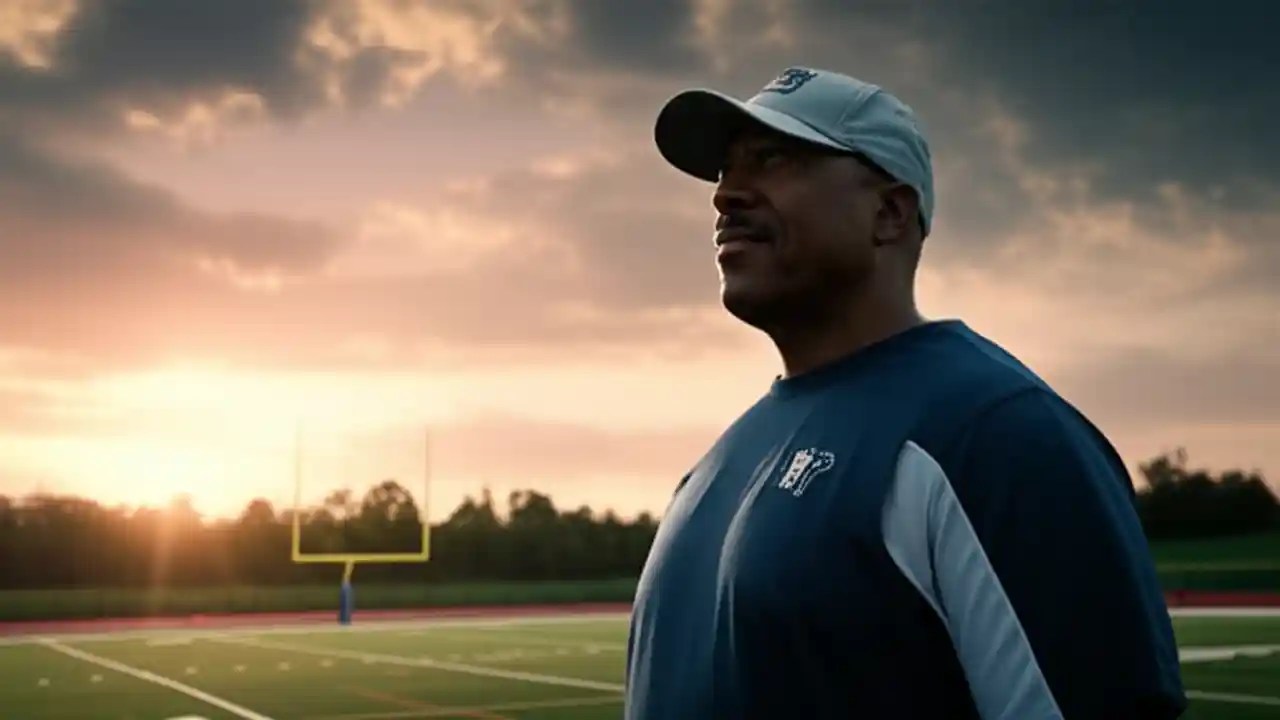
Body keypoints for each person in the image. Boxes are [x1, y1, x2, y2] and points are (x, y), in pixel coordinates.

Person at [624, 66, 1187, 719]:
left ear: (889, 213)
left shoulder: (992, 434)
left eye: (771, 159)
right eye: (725, 170)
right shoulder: (718, 461)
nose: (726, 196)